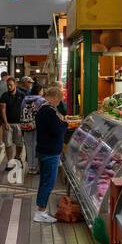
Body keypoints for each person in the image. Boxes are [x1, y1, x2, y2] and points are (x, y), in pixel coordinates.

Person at [33, 84, 68, 224]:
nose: (59, 103)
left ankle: (40, 210)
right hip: (50, 152)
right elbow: (57, 130)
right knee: (49, 182)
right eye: (59, 100)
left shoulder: (42, 109)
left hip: (43, 150)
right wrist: (65, 124)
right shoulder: (48, 111)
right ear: (53, 98)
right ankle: (40, 212)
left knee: (44, 182)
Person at [21, 80, 47, 174]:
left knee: (28, 146)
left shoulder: (25, 99)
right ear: (39, 91)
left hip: (26, 125)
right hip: (37, 126)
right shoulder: (41, 100)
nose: (43, 92)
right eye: (42, 90)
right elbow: (44, 114)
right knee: (36, 145)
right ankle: (35, 167)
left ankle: (30, 167)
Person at [0, 75, 27, 163]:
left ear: (15, 84)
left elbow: (25, 108)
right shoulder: (4, 95)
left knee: (19, 143)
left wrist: (24, 122)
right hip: (8, 123)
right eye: (8, 85)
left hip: (19, 123)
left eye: (11, 85)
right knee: (8, 144)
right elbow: (2, 109)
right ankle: (10, 161)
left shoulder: (22, 95)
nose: (9, 87)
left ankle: (17, 157)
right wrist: (5, 123)